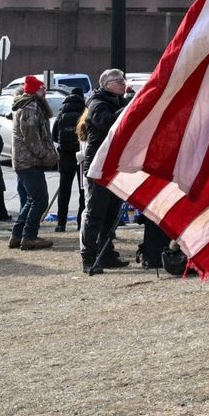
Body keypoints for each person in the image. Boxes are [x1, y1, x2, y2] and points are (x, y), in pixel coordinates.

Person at [78, 70, 132, 273]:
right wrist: (129, 107)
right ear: (106, 84)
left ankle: (106, 252)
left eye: (123, 80)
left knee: (111, 213)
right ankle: (89, 257)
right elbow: (108, 122)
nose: (122, 84)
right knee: (95, 214)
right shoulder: (97, 103)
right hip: (98, 165)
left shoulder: (116, 101)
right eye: (118, 81)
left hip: (114, 164)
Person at [9, 76, 57, 250]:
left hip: (26, 161)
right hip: (29, 161)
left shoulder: (29, 106)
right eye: (41, 89)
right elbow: (32, 139)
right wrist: (46, 156)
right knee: (40, 200)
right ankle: (29, 237)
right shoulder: (30, 107)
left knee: (32, 199)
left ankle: (17, 235)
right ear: (34, 91)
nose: (44, 92)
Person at [51, 88, 87, 232]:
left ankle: (61, 223)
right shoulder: (84, 111)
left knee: (64, 191)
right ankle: (80, 222)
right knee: (82, 191)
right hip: (81, 156)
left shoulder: (61, 113)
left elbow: (54, 135)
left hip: (65, 156)